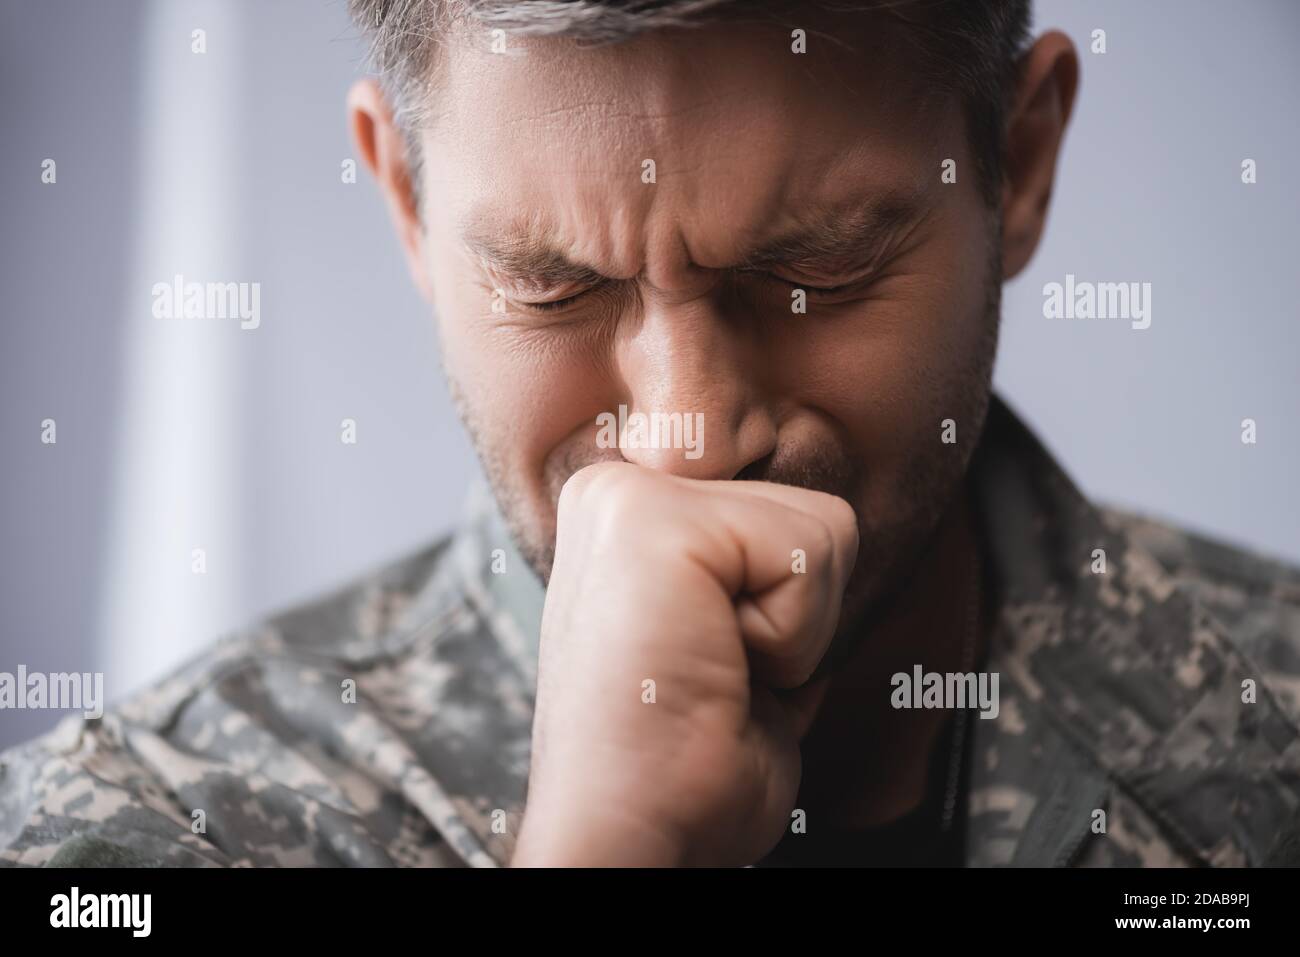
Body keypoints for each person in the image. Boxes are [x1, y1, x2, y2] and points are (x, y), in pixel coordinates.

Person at [3, 0, 1298, 868]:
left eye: (816, 272)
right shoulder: (140, 835)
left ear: (1017, 165)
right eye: (554, 284)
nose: (685, 440)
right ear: (404, 197)